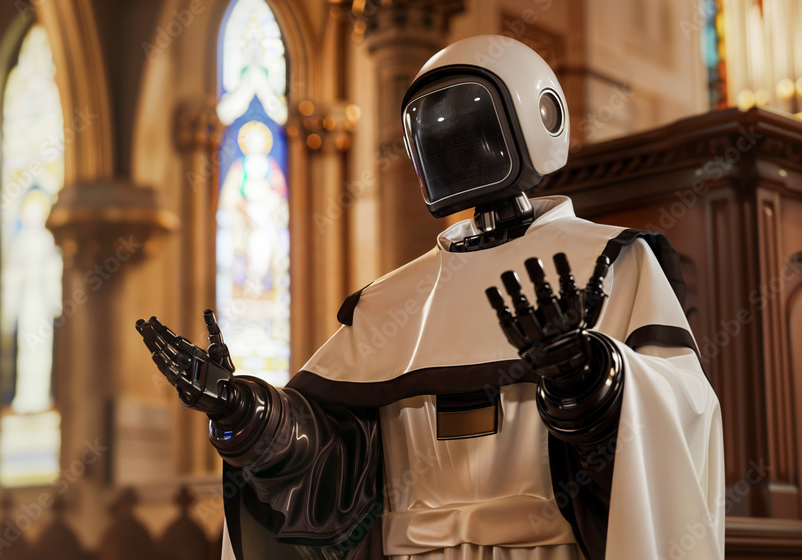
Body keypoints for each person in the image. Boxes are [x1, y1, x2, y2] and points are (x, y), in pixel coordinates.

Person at [137, 35, 724, 560]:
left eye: (469, 123)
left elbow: (683, 416)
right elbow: (333, 473)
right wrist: (247, 413)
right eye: (432, 129)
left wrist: (590, 377)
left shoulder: (610, 261)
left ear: (537, 115)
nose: (449, 140)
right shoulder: (391, 300)